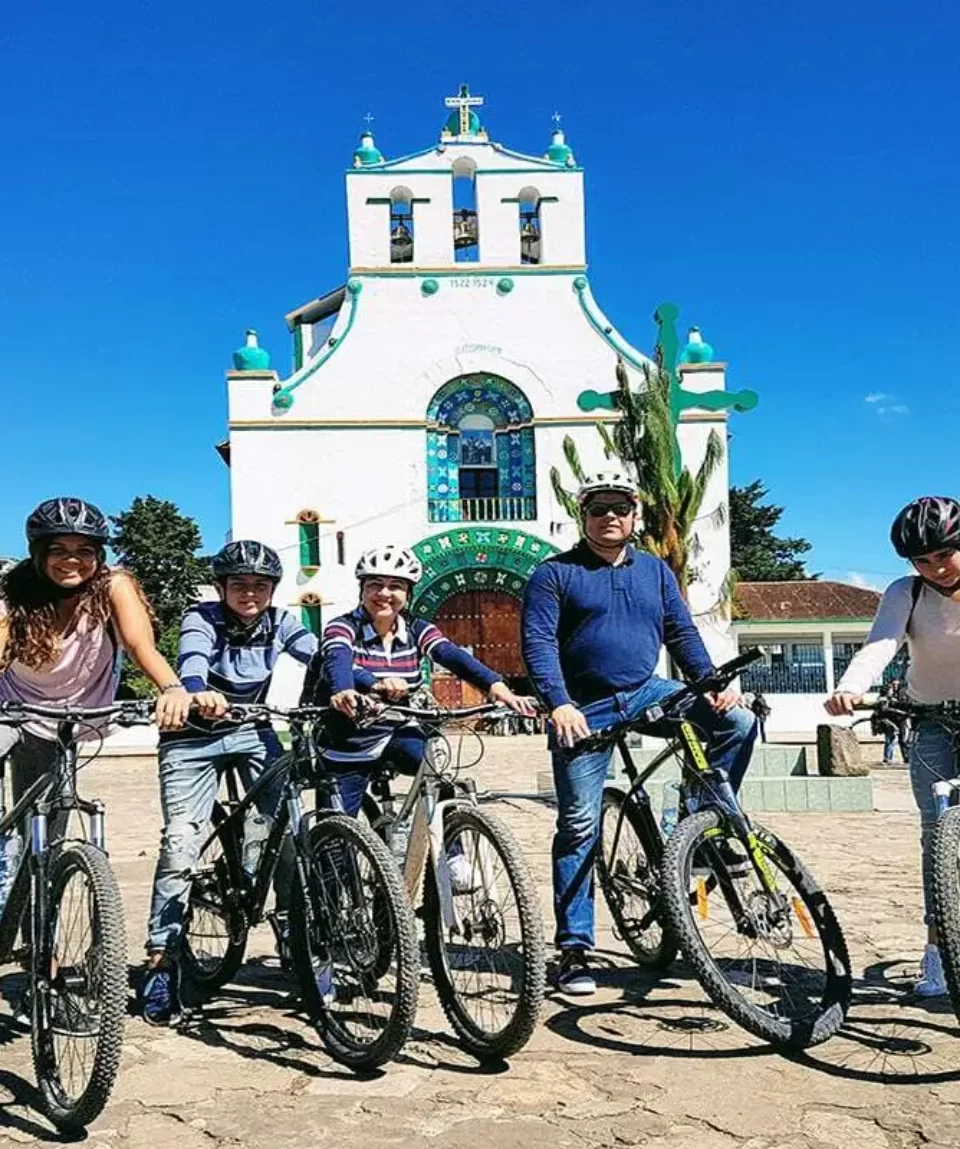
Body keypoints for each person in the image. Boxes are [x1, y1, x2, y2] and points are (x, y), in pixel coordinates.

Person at [521, 472, 757, 996]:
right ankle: (575, 948)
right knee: (580, 825)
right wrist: (558, 703)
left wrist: (710, 683)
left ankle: (698, 821)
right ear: (582, 515)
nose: (610, 516)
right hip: (583, 707)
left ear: (635, 515)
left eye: (621, 507)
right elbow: (537, 643)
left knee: (737, 721)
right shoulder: (553, 574)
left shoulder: (653, 571)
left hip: (648, 690)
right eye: (599, 508)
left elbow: (680, 631)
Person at [0, 497, 190, 1019]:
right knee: (12, 835)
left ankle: (46, 969)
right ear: (37, 554)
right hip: (13, 709)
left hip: (71, 721)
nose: (71, 559)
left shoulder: (113, 586)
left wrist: (170, 687)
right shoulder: (14, 592)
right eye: (57, 549)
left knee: (50, 843)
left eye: (84, 550)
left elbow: (140, 644)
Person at [140, 540, 318, 1026]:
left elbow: (316, 656)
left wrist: (354, 683)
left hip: (252, 731)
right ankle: (162, 960)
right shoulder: (202, 617)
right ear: (221, 587)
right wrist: (197, 694)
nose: (250, 593)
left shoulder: (281, 621)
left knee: (287, 835)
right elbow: (192, 661)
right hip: (191, 737)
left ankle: (295, 935)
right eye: (239, 584)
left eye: (260, 585)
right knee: (181, 842)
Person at [825, 495, 960, 997]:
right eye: (922, 560)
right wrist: (851, 685)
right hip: (930, 723)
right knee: (936, 836)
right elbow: (881, 644)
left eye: (944, 555)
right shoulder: (906, 592)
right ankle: (938, 955)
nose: (935, 568)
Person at [300, 544, 535, 832]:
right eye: (375, 585)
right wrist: (348, 689)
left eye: (396, 586)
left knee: (437, 774)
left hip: (398, 729)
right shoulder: (343, 626)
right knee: (335, 834)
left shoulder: (416, 628)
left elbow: (450, 654)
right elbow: (337, 659)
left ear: (408, 594)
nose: (384, 594)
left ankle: (450, 853)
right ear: (362, 590)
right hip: (348, 740)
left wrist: (496, 686)